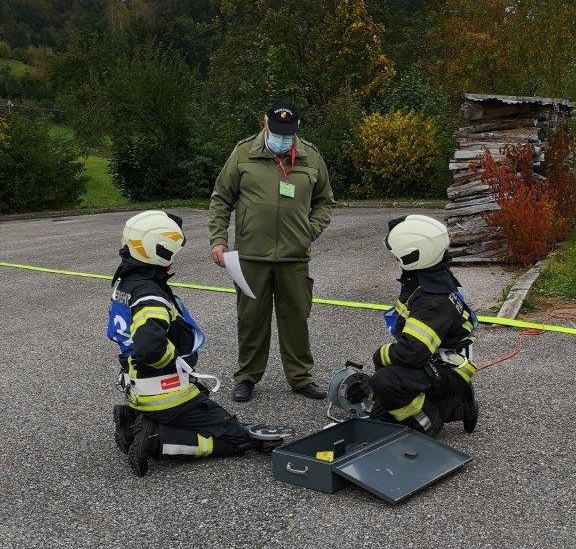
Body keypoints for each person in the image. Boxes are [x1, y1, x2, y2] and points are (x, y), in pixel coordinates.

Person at [108, 210, 291, 477]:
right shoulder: (150, 295)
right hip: (165, 394)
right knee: (234, 437)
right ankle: (156, 438)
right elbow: (150, 348)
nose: (172, 260)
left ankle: (133, 420)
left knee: (203, 408)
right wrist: (174, 360)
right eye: (170, 252)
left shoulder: (127, 282)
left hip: (138, 387)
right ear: (157, 251)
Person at [209, 97, 336, 402]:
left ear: (296, 129)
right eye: (277, 130)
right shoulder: (243, 154)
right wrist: (218, 239)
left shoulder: (311, 158)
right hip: (251, 258)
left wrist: (309, 232)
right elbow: (221, 199)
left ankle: (301, 378)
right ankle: (247, 378)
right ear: (265, 124)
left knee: (296, 318)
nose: (282, 137)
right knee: (251, 319)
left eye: (288, 132)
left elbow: (324, 202)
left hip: (294, 258)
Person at [367, 214, 479, 437]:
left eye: (398, 256)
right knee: (379, 419)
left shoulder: (433, 300)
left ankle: (429, 421)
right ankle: (455, 402)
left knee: (384, 382)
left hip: (446, 366)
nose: (395, 260)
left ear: (414, 256)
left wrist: (380, 355)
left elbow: (411, 353)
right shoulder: (427, 275)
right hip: (433, 359)